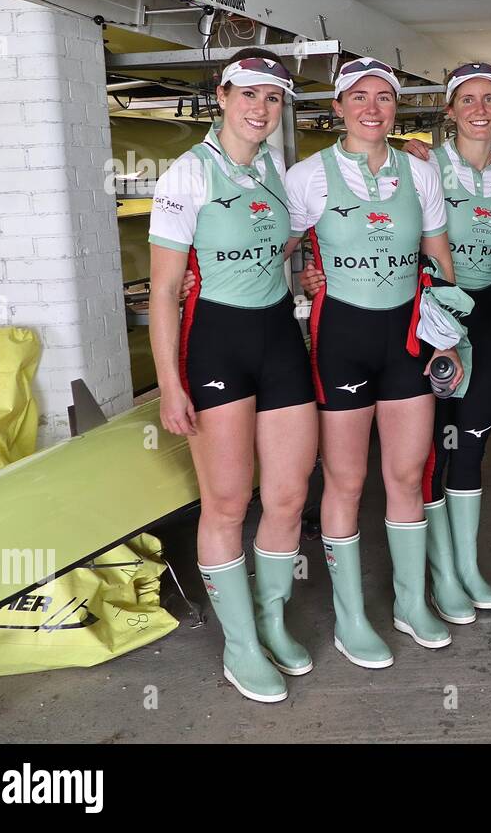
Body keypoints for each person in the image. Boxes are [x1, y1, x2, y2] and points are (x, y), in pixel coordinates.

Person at [149, 49, 317, 703]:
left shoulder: (277, 167)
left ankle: (272, 622)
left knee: (287, 494)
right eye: (248, 94)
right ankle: (239, 644)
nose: (260, 108)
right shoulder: (185, 175)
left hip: (279, 338)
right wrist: (170, 383)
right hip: (216, 345)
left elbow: (285, 238)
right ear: (221, 96)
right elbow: (164, 291)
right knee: (226, 502)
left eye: (272, 98)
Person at [284, 57, 463, 662]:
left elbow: (439, 260)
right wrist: (297, 283)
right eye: (358, 97)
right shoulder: (308, 176)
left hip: (407, 339)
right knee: (346, 479)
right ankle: (351, 618)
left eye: (384, 98)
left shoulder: (421, 173)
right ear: (337, 108)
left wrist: (448, 336)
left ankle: (411, 604)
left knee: (408, 475)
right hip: (343, 340)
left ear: (395, 109)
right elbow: (270, 249)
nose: (372, 107)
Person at [387, 63, 491, 622]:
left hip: (486, 313)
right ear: (449, 112)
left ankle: (466, 568)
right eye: (467, 100)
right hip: (432, 316)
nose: (479, 109)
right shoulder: (421, 164)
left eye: (489, 100)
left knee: (473, 441)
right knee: (431, 451)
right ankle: (441, 579)